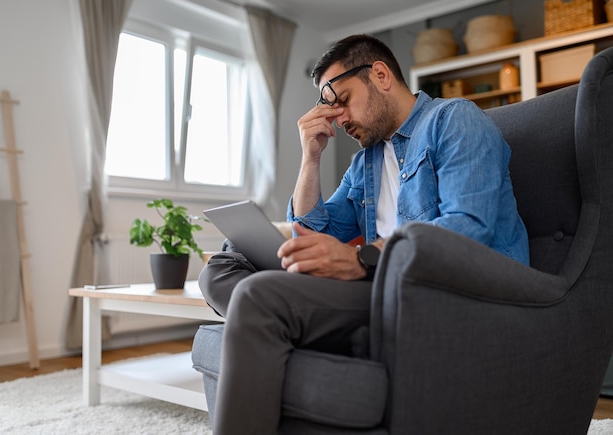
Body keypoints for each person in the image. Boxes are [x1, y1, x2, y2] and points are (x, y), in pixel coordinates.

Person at [199, 34, 529, 434]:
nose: (337, 117)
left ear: (380, 74)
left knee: (257, 294)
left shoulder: (454, 120)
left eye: (342, 100)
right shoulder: (366, 163)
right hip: (376, 288)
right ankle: (283, 321)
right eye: (329, 106)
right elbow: (315, 230)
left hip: (439, 295)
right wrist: (310, 158)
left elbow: (466, 230)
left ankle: (279, 319)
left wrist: (362, 259)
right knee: (223, 264)